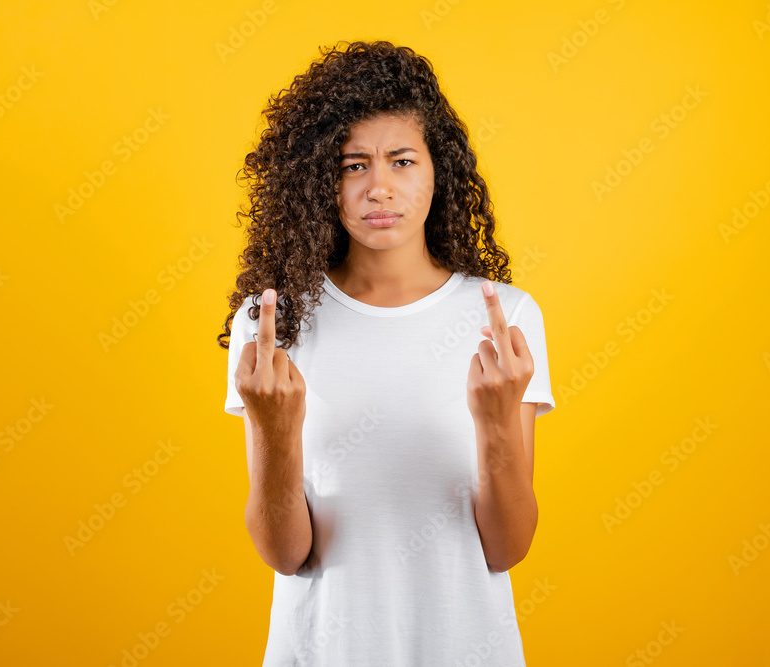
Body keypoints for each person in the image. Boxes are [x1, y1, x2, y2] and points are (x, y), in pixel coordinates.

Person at [219, 40, 556, 666]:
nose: (379, 188)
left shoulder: (505, 319)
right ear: (320, 183)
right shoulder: (272, 325)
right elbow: (284, 554)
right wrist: (272, 429)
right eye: (352, 166)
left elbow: (508, 546)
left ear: (438, 171)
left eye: (402, 161)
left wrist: (494, 421)